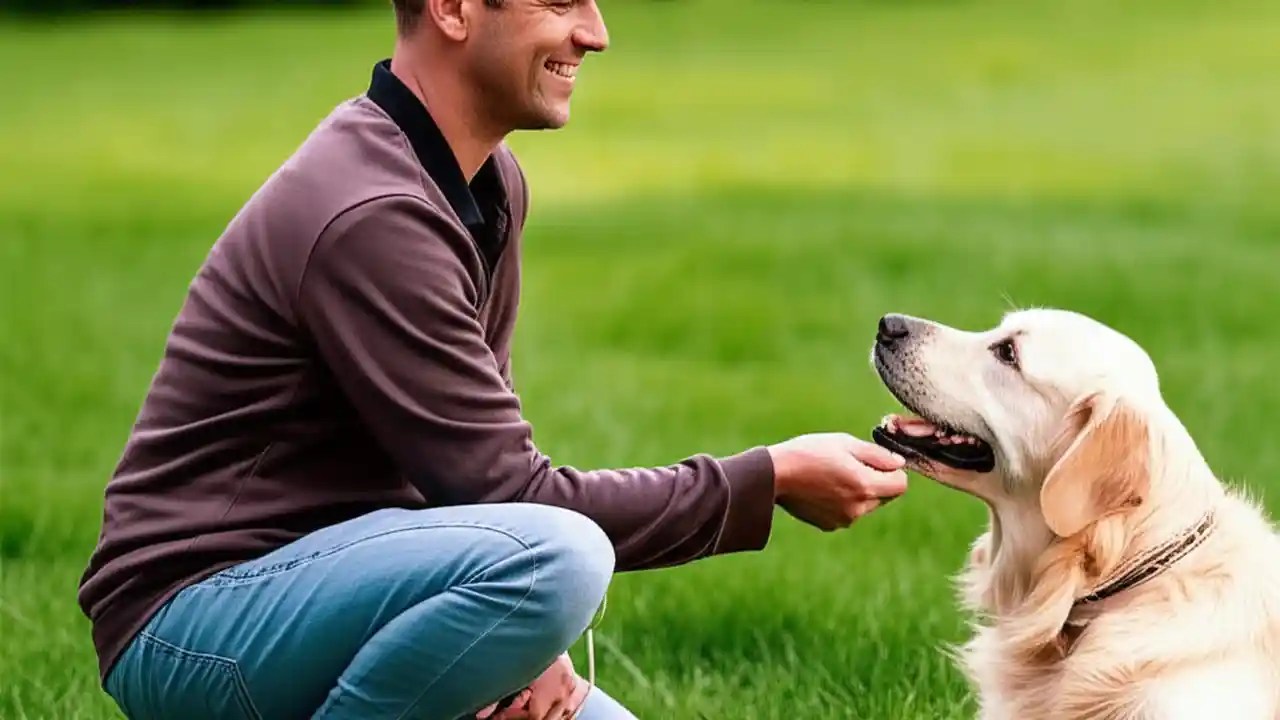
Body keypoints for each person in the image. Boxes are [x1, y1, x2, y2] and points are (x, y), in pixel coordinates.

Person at [76, 1, 910, 718]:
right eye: (559, 2)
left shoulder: (485, 183)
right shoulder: (373, 213)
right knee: (562, 558)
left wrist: (500, 637)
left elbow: (464, 479)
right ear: (452, 8)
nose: (595, 32)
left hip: (337, 590)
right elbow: (513, 498)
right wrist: (768, 478)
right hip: (194, 623)